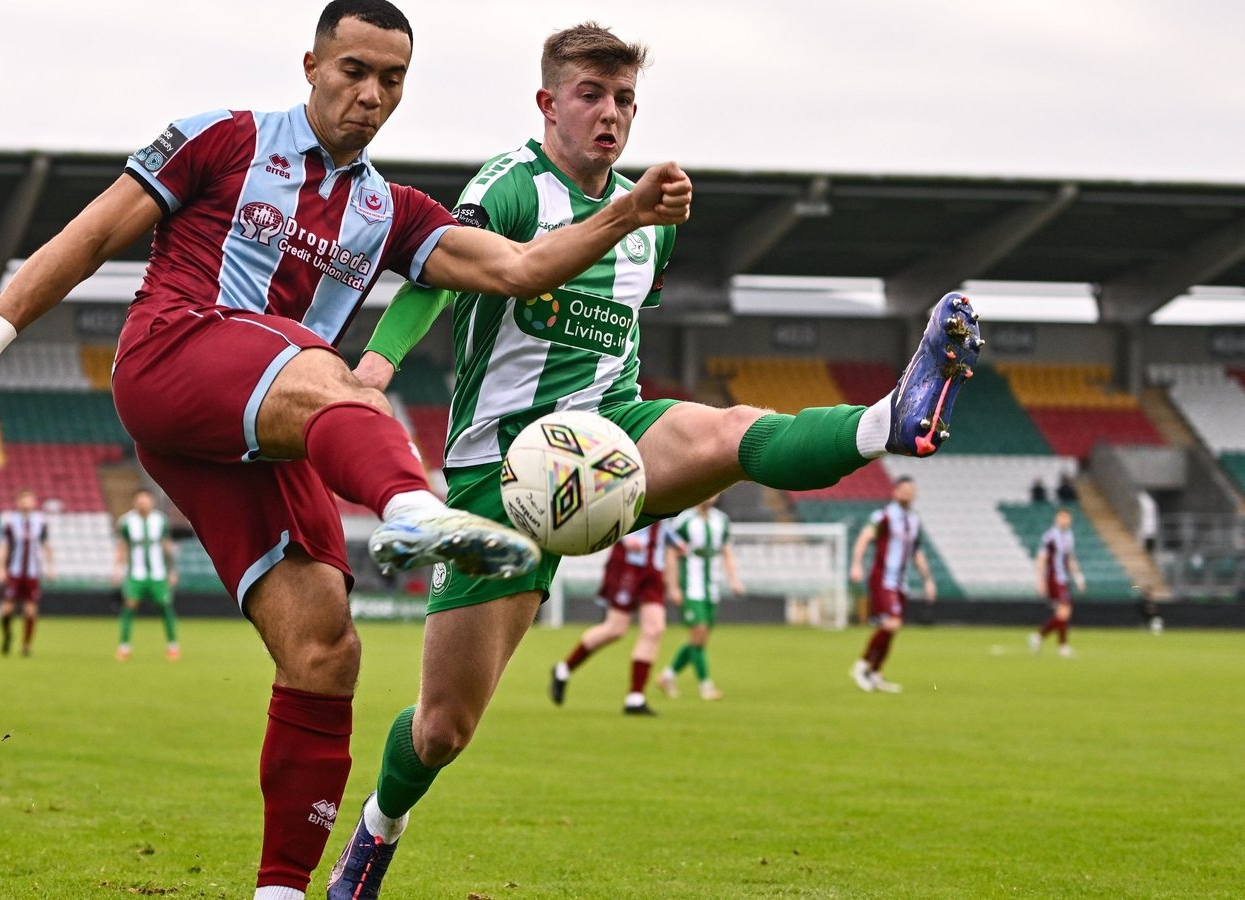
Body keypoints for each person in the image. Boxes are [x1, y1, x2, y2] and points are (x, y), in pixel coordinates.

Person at [0, 4, 694, 896]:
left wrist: (628, 213)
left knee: (326, 652)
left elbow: (518, 269)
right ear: (311, 64)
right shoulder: (221, 138)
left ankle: (281, 889)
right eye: (353, 71)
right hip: (173, 355)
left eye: (392, 80)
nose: (370, 95)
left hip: (256, 435)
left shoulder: (391, 211)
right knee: (331, 371)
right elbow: (93, 233)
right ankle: (417, 514)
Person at [330, 23, 981, 897]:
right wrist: (375, 367)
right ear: (548, 103)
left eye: (625, 99)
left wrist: (634, 240)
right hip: (499, 476)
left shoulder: (652, 223)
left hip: (611, 435)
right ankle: (377, 831)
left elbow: (625, 321)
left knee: (730, 431)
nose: (611, 115)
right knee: (444, 728)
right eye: (591, 95)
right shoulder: (513, 185)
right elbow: (435, 272)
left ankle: (885, 422)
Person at [548, 521, 681, 715]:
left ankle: (635, 698)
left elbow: (663, 519)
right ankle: (563, 668)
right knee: (615, 629)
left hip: (654, 566)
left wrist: (675, 541)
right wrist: (625, 537)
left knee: (655, 629)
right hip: (629, 561)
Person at [847, 477, 935, 693]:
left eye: (911, 490)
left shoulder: (914, 520)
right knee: (892, 623)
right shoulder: (883, 516)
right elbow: (864, 538)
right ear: (895, 492)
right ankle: (862, 666)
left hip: (900, 582)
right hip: (883, 578)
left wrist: (928, 579)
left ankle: (875, 673)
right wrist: (856, 564)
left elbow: (916, 552)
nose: (907, 494)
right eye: (903, 490)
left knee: (892, 628)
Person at [658, 497, 743, 702]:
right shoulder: (684, 520)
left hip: (711, 588)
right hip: (691, 588)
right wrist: (674, 586)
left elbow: (726, 552)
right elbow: (671, 553)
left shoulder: (721, 520)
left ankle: (667, 676)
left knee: (699, 639)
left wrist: (734, 580)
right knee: (699, 631)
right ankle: (706, 686)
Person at [114, 488, 181, 661]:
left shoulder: (160, 521)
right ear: (134, 502)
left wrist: (172, 570)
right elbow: (122, 546)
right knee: (129, 607)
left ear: (151, 501)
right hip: (135, 574)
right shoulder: (126, 522)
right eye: (139, 500)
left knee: (165, 607)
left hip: (158, 574)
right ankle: (124, 647)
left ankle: (173, 646)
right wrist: (117, 569)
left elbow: (166, 546)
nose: (142, 503)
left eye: (145, 500)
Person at [0, 489, 53, 657]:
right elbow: (3, 546)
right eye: (25, 500)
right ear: (18, 502)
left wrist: (51, 567)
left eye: (31, 500)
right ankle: (7, 635)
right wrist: (0, 568)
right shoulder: (10, 522)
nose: (28, 504)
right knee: (6, 610)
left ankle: (26, 645)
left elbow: (46, 545)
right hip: (14, 572)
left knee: (31, 611)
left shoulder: (40, 522)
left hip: (32, 573)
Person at [1029, 506, 1086, 657]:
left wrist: (1078, 577)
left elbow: (1070, 558)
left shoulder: (1069, 536)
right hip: (1054, 579)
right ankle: (1061, 646)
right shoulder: (1050, 537)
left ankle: (1039, 637)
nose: (1065, 520)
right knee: (1064, 612)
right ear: (1057, 519)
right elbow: (1041, 559)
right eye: (1062, 517)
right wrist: (1039, 580)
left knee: (1063, 614)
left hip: (1064, 578)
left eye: (1067, 518)